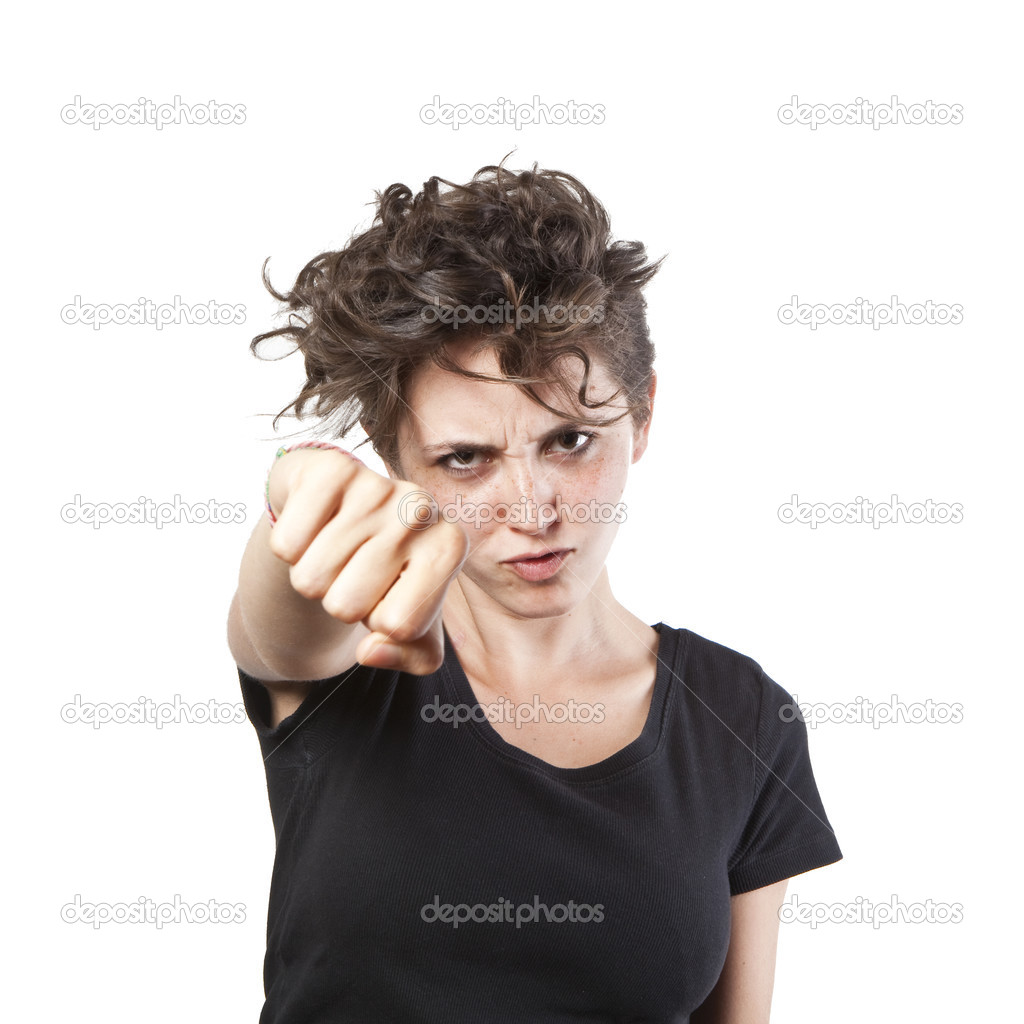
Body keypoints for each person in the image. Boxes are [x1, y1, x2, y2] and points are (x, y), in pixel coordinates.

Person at [227, 158, 842, 1023]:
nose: (533, 510)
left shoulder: (739, 716)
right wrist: (299, 491)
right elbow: (280, 626)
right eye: (464, 458)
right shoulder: (352, 652)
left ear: (643, 414)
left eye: (570, 441)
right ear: (395, 455)